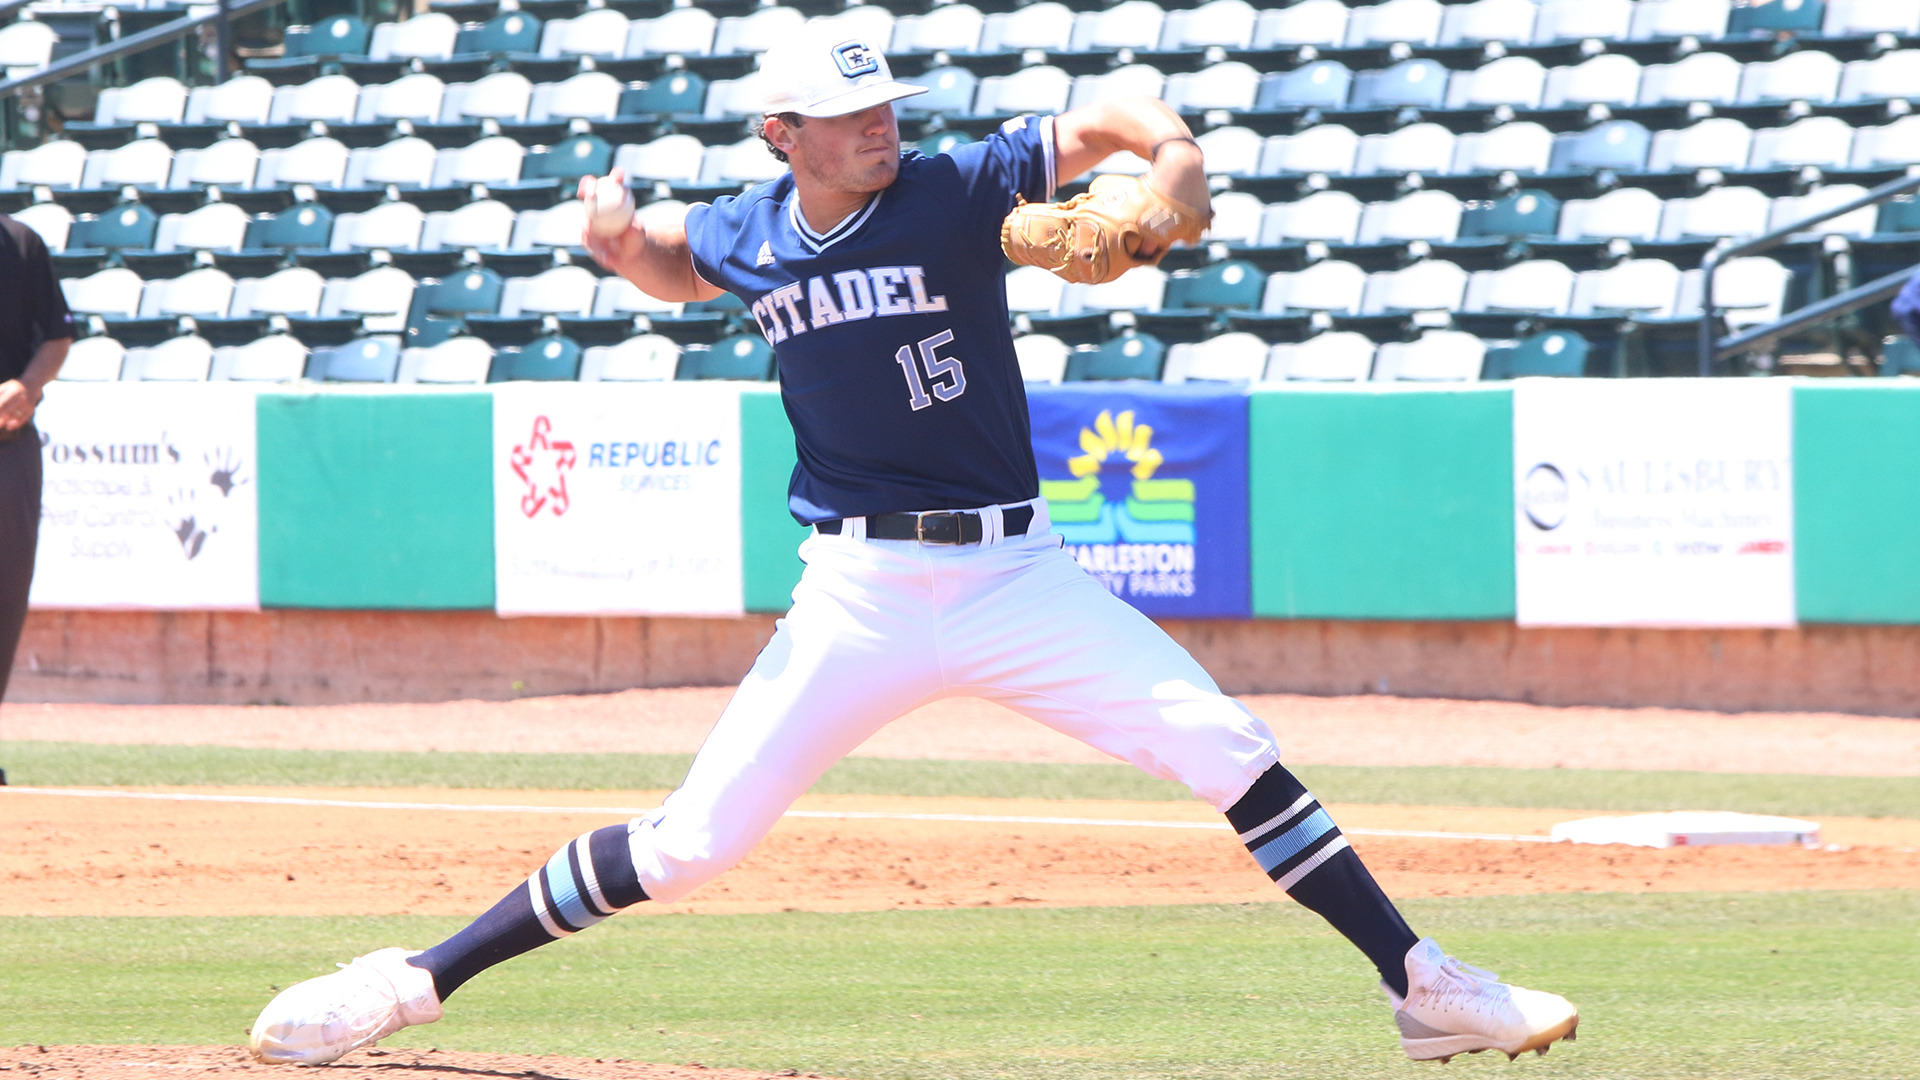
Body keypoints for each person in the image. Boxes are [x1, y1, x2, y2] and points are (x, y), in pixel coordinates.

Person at [248, 24, 1578, 1067]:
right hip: (860, 592)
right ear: (783, 134)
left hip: (1017, 576)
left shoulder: (952, 186)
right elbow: (668, 260)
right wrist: (608, 245)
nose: (883, 125)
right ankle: (411, 982)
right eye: (851, 115)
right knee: (691, 846)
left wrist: (1164, 179)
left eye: (887, 102)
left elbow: (1123, 120)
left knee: (1227, 745)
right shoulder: (748, 229)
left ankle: (1426, 987)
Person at [0, 211, 73, 707]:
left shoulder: (21, 243)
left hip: (7, 444)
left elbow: (57, 334)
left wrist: (27, 386)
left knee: (4, 594)